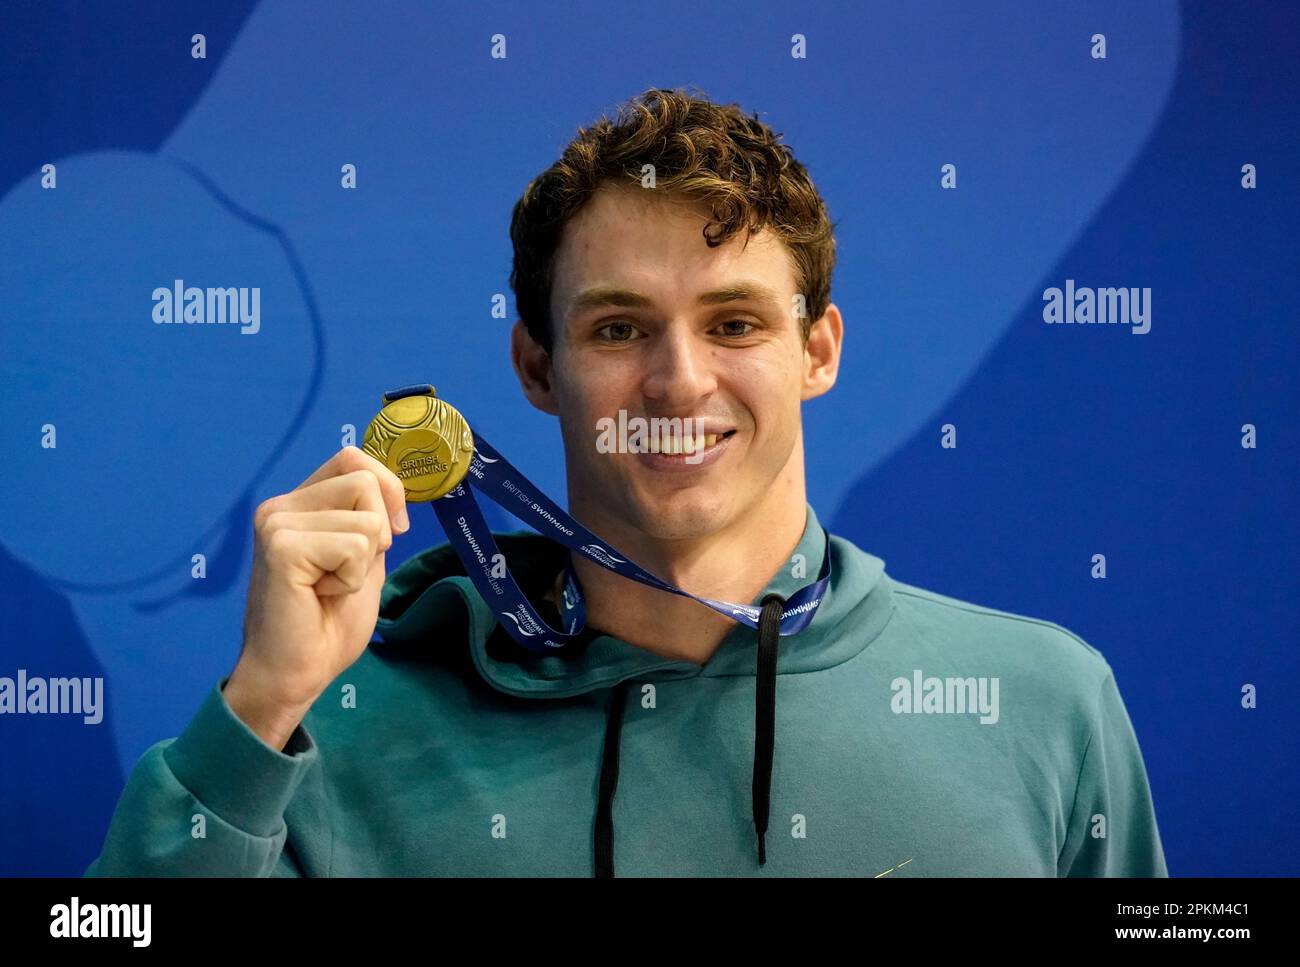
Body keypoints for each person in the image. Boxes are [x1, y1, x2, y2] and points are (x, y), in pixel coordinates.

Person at [85, 87, 1167, 877]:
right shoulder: (340, 730)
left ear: (817, 352)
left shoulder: (1042, 705)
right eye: (618, 327)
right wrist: (260, 708)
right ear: (537, 369)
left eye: (734, 322)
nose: (679, 379)